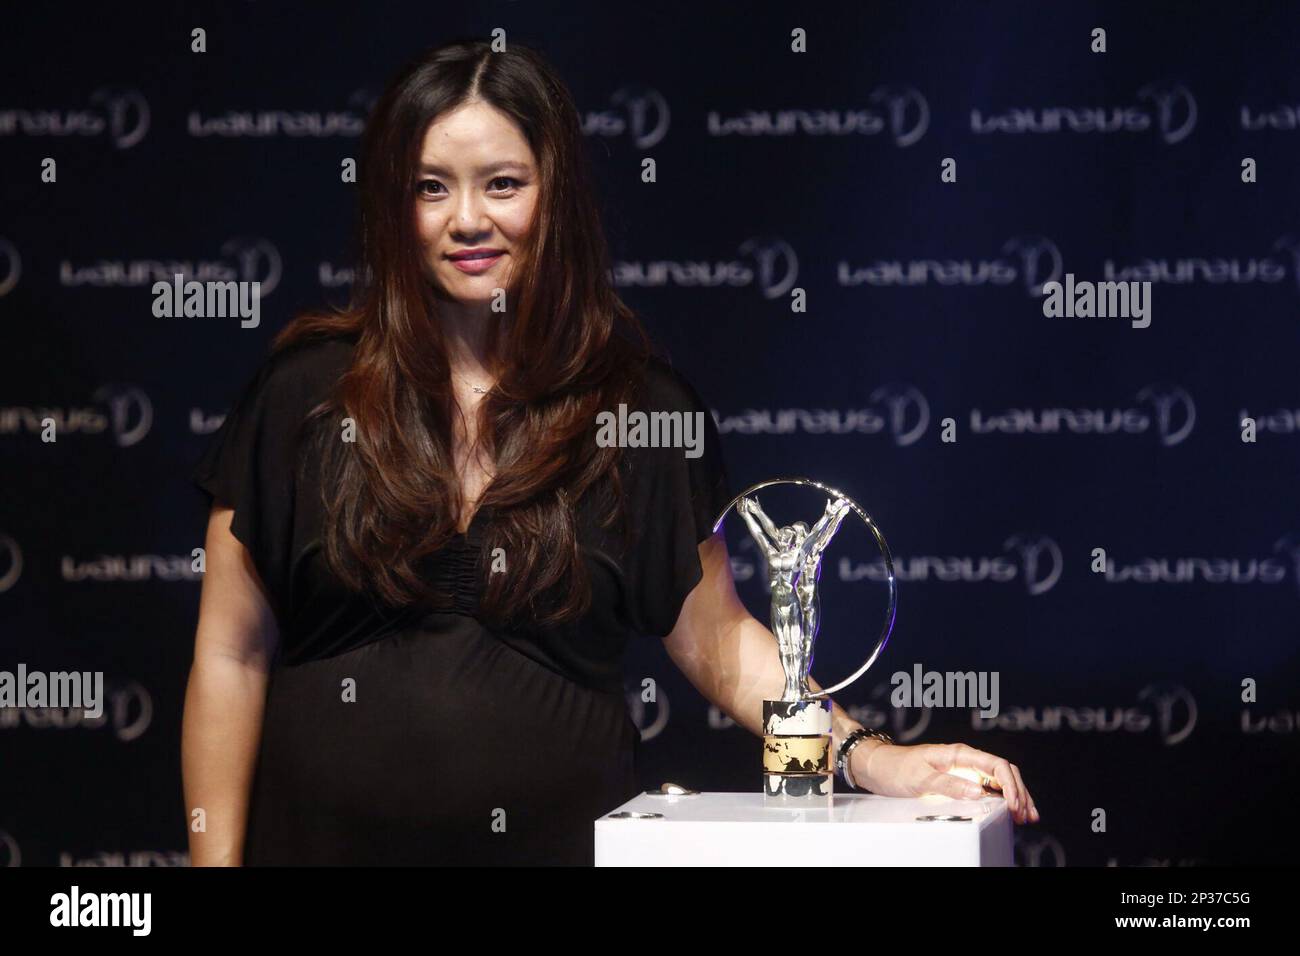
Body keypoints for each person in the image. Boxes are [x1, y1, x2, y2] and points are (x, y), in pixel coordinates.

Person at [181, 38, 1038, 867]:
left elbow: (720, 639)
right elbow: (230, 654)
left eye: (503, 185)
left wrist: (866, 755)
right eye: (430, 188)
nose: (466, 219)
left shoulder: (638, 409)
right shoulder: (305, 394)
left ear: (555, 199)